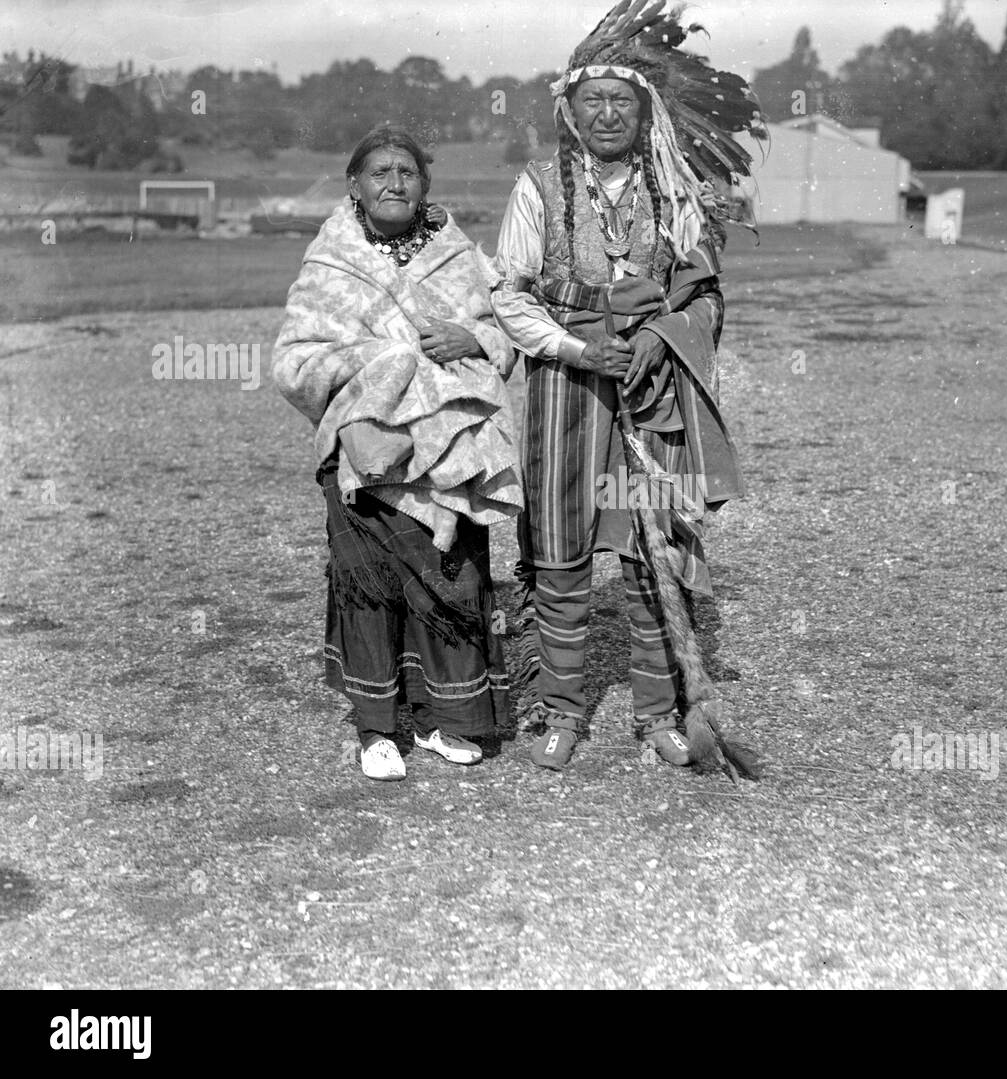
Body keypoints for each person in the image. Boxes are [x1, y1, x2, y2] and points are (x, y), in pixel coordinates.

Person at [490, 1, 766, 770]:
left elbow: (703, 292)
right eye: (593, 100)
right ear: (569, 110)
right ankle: (564, 713)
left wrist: (654, 337)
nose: (607, 113)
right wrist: (581, 350)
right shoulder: (539, 189)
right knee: (560, 547)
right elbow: (508, 296)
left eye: (622, 100)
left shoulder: (673, 190)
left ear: (644, 111)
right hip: (567, 392)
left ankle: (654, 717)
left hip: (652, 394)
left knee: (653, 553)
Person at [272, 126, 522, 781]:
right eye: (379, 171)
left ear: (425, 185)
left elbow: (504, 334)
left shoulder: (458, 254)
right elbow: (292, 362)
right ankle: (377, 730)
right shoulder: (331, 261)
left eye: (407, 171)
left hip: (448, 449)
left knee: (451, 576)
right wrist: (377, 359)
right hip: (366, 450)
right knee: (368, 586)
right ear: (353, 184)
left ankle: (449, 719)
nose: (394, 182)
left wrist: (470, 336)